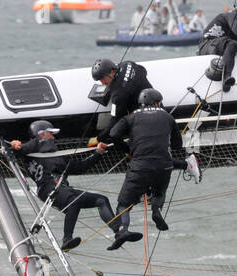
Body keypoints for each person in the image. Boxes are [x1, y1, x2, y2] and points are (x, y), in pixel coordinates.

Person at [9, 120, 123, 252]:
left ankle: (118, 231)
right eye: (51, 134)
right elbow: (17, 149)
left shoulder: (57, 157)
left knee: (101, 200)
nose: (53, 137)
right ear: (42, 134)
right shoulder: (32, 147)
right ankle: (66, 239)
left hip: (62, 188)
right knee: (73, 202)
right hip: (48, 188)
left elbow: (80, 167)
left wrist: (98, 153)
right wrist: (13, 144)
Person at [102, 88, 182, 249]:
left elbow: (114, 134)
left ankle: (123, 230)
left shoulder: (131, 117)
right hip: (164, 166)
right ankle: (156, 211)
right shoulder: (168, 117)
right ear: (158, 103)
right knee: (159, 193)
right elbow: (178, 146)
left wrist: (128, 150)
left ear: (141, 104)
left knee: (123, 204)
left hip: (140, 167)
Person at [90, 57, 153, 153]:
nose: (102, 83)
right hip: (156, 101)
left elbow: (115, 120)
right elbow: (143, 70)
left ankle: (130, 154)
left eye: (103, 78)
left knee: (115, 134)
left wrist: (99, 138)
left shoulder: (118, 94)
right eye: (99, 80)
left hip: (146, 119)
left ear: (111, 72)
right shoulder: (127, 64)